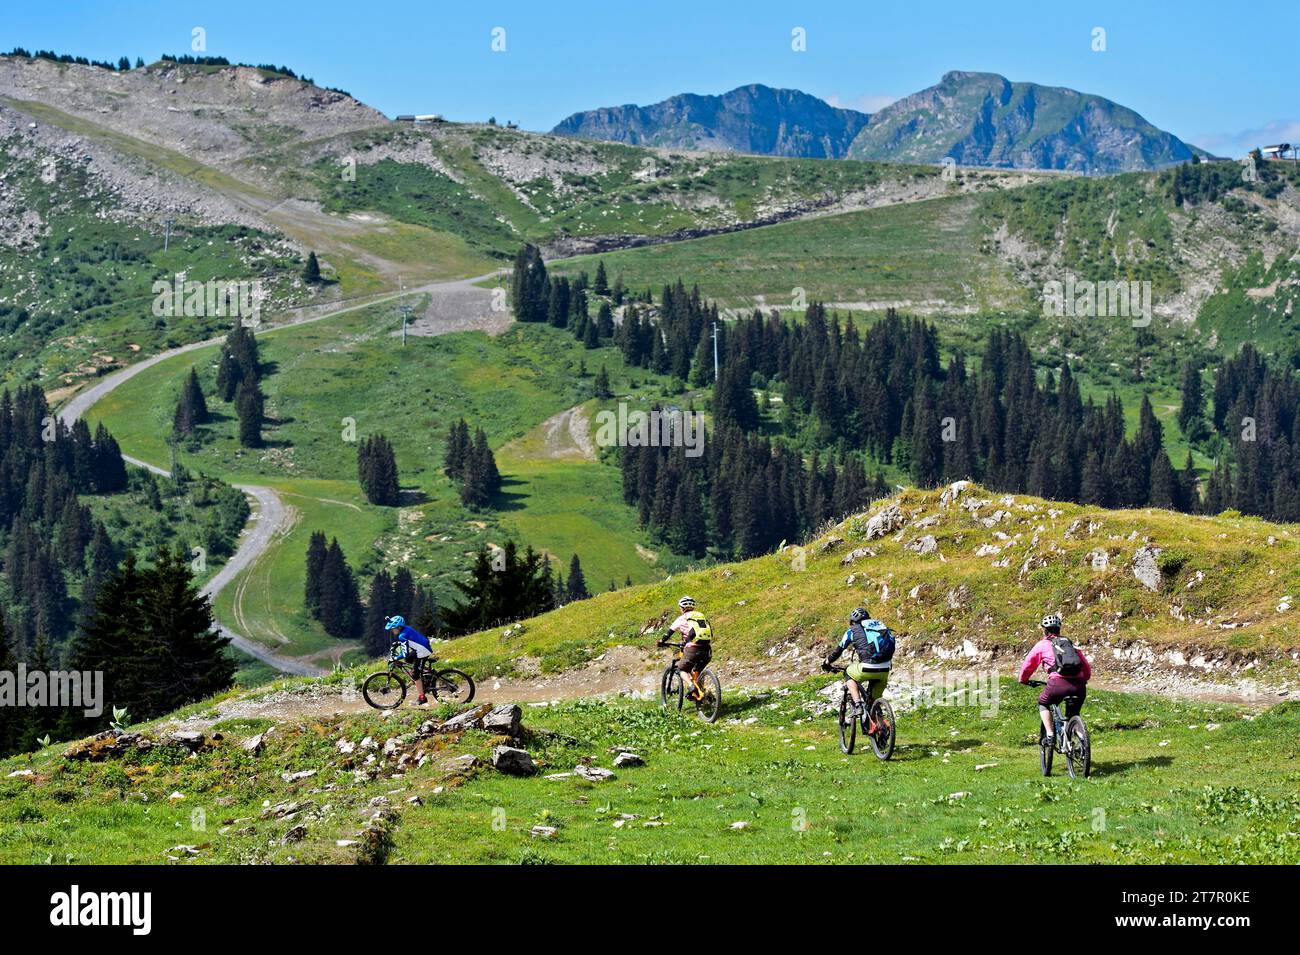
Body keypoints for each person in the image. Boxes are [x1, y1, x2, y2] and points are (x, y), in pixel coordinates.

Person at [1018, 613, 1091, 747]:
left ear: (1045, 630)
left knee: (1043, 703)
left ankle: (1050, 735)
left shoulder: (1042, 645)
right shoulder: (1070, 644)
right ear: (1059, 629)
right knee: (1074, 714)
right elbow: (1085, 664)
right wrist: (1084, 679)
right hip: (1079, 685)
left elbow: (1029, 664)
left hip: (1058, 684)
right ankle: (1082, 742)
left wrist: (1023, 679)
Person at [822, 607, 895, 732]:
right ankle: (880, 726)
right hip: (885, 668)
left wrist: (827, 662)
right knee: (873, 700)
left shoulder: (852, 630)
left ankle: (857, 704)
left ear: (853, 621)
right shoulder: (879, 626)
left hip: (866, 667)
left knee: (848, 674)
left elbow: (839, 650)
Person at [658, 596, 713, 700]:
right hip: (707, 649)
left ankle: (691, 686)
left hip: (692, 649)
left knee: (681, 670)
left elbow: (668, 633)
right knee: (697, 670)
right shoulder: (700, 616)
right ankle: (700, 693)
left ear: (682, 608)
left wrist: (661, 641)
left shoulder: (682, 618)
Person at [385, 614, 434, 705]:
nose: (391, 630)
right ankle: (423, 673)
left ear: (399, 627)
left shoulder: (402, 636)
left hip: (423, 651)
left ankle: (422, 698)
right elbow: (410, 640)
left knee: (415, 675)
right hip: (424, 648)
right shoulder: (406, 629)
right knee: (408, 659)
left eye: (393, 628)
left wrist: (395, 658)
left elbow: (404, 653)